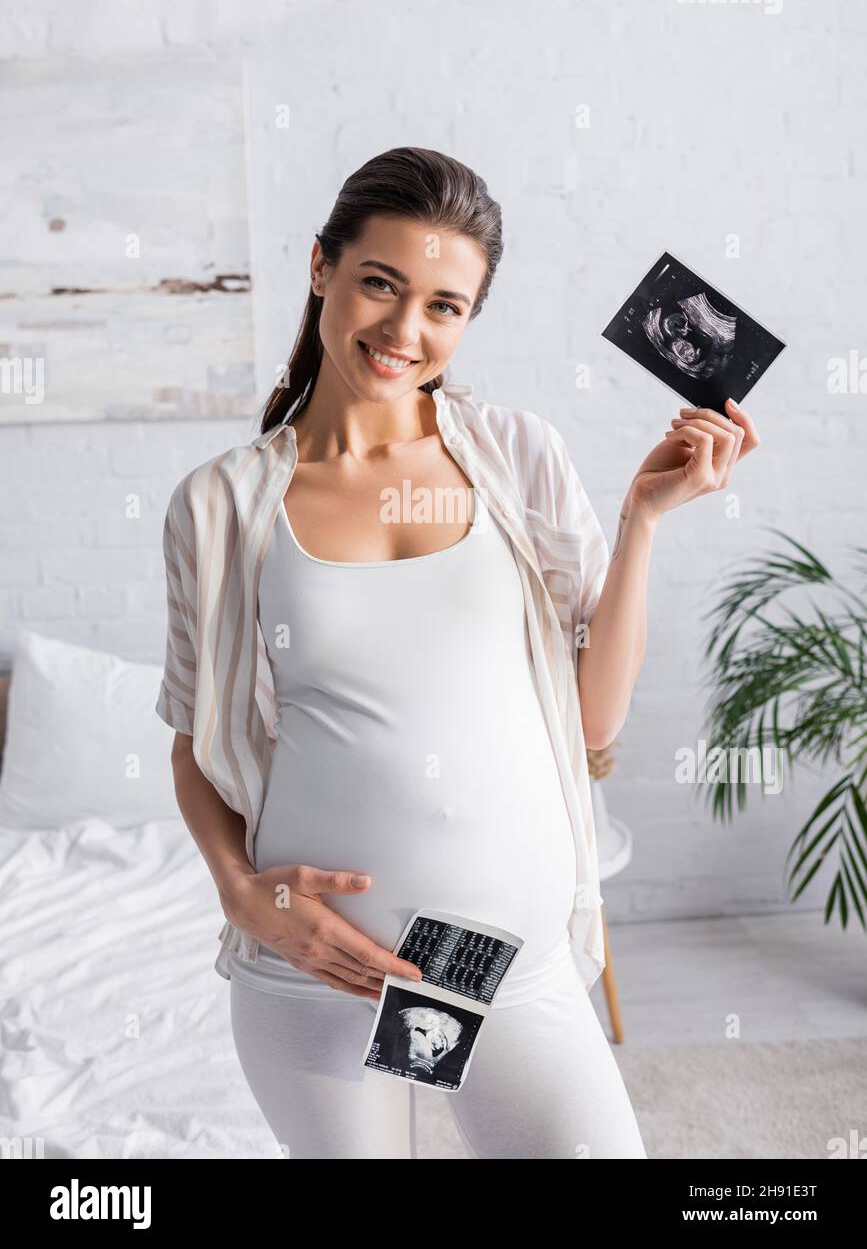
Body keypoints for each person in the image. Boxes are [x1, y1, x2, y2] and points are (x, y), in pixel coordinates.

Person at [156, 146, 760, 1159]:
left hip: (506, 963)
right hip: (318, 970)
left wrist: (644, 521)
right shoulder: (221, 504)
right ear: (321, 268)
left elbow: (594, 718)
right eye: (379, 284)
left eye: (445, 305)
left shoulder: (517, 455)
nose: (404, 331)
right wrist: (243, 894)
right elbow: (195, 738)